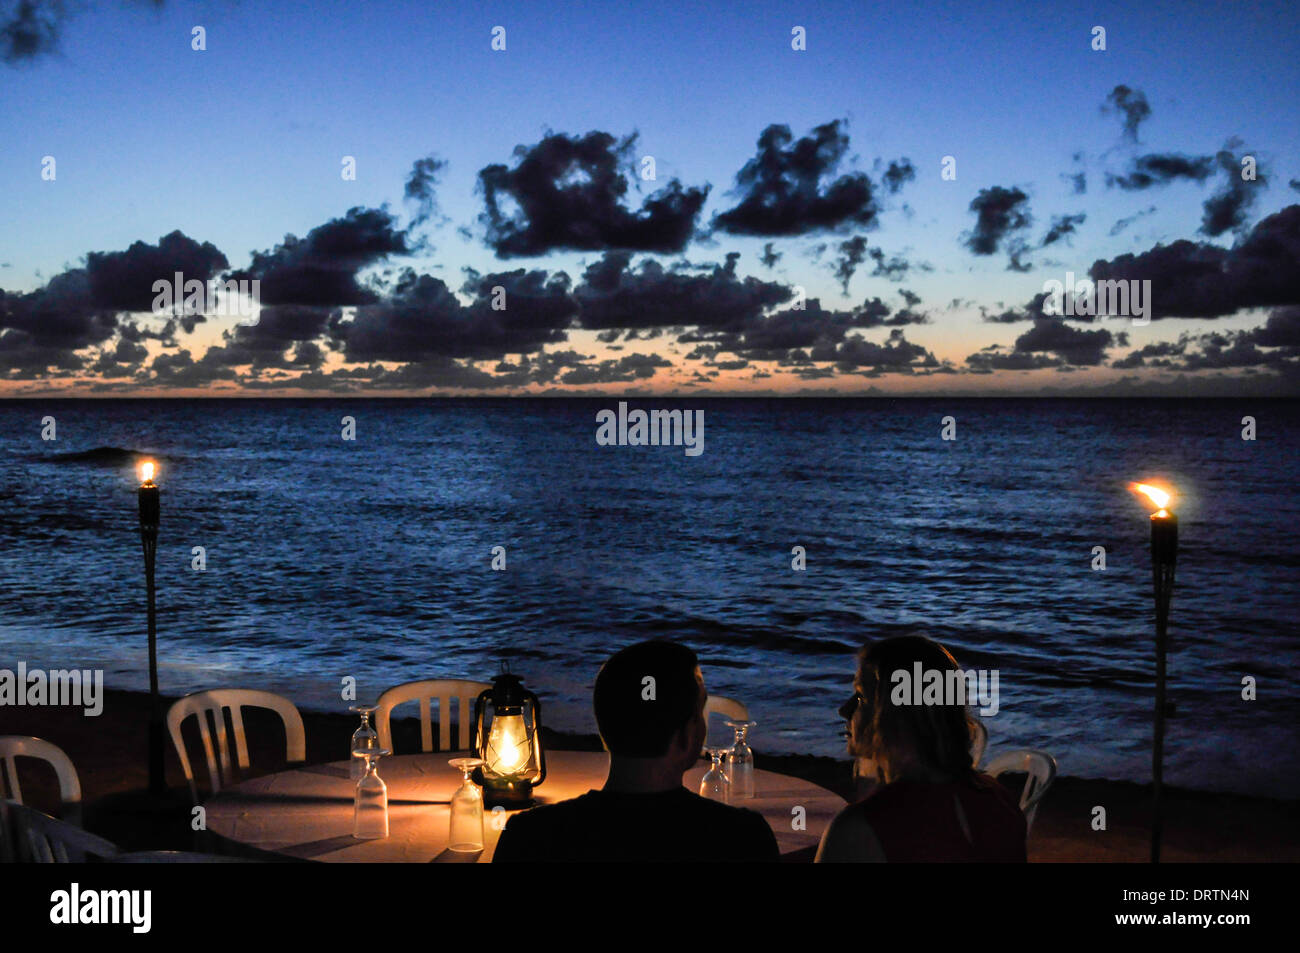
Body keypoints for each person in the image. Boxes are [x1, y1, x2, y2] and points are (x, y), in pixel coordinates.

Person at [493, 640, 779, 862]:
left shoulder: (529, 837)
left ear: (603, 730)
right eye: (699, 714)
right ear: (685, 737)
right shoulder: (742, 838)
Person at [815, 634, 1027, 862]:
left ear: (897, 715)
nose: (844, 710)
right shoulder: (1000, 804)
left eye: (861, 697)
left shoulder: (861, 829)